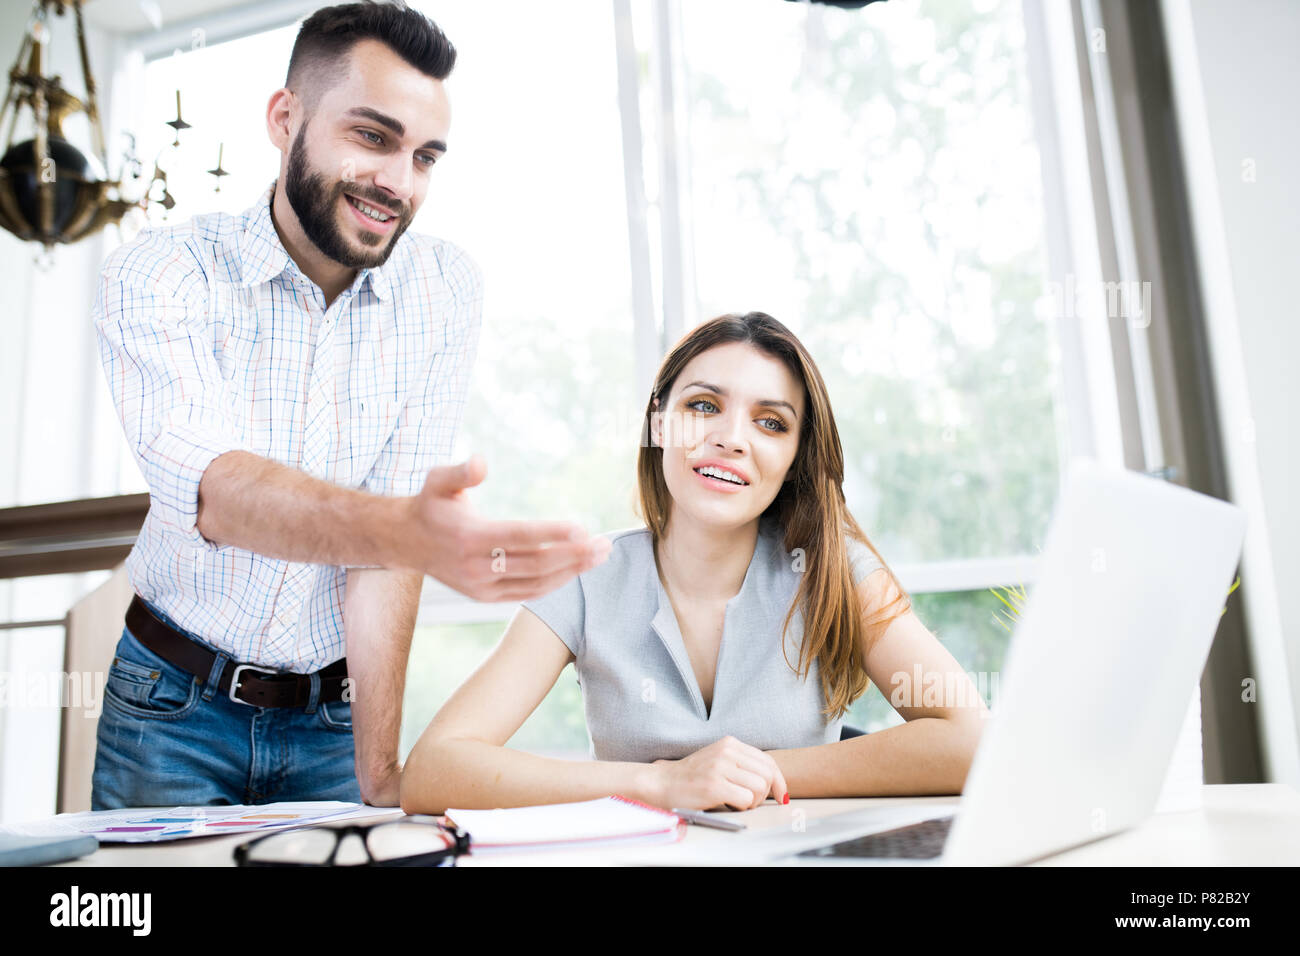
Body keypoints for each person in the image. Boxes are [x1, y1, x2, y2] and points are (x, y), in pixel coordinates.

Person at [89, 0, 610, 812]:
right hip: (171, 710)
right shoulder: (163, 272)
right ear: (284, 117)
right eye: (372, 137)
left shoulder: (443, 291)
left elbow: (383, 562)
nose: (398, 184)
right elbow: (216, 494)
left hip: (335, 718)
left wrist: (379, 771)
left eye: (426, 156)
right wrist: (405, 529)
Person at [400, 312, 989, 814]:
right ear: (659, 423)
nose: (732, 438)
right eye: (704, 406)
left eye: (771, 422)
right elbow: (434, 770)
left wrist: (757, 775)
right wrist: (659, 783)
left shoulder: (838, 571)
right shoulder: (587, 580)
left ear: (794, 458)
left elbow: (973, 742)